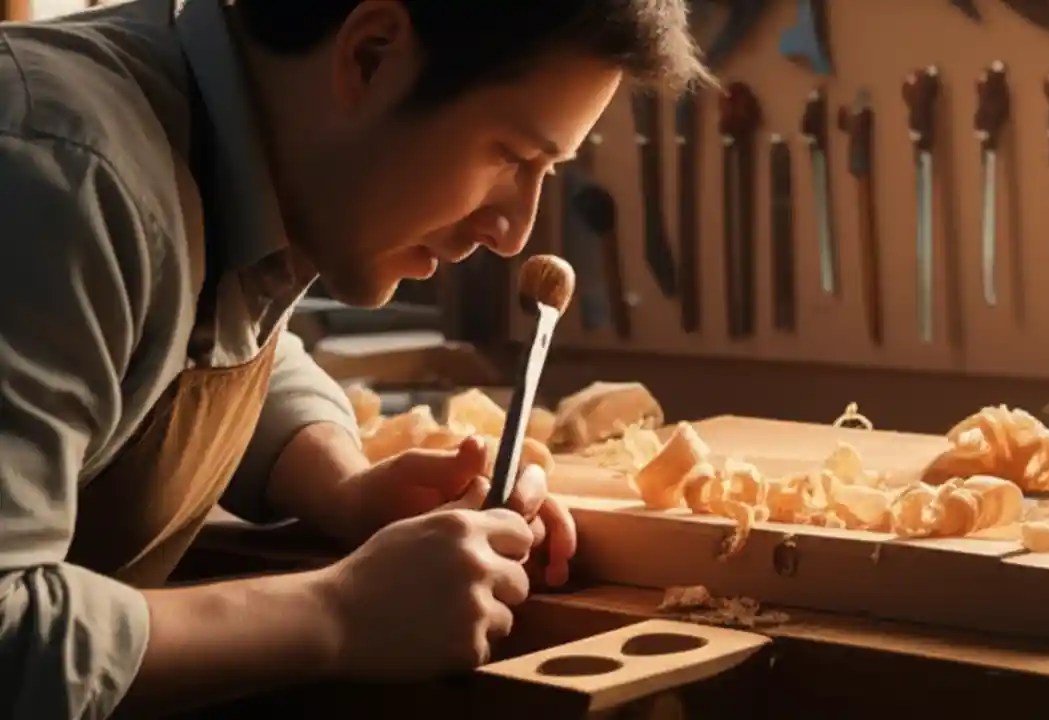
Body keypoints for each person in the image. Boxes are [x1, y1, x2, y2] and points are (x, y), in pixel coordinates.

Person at [0, 0, 709, 716]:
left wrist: (344, 486)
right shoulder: (62, 179)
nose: (513, 232)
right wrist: (337, 613)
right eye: (512, 156)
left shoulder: (223, 151)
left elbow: (203, 328)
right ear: (370, 56)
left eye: (545, 173)